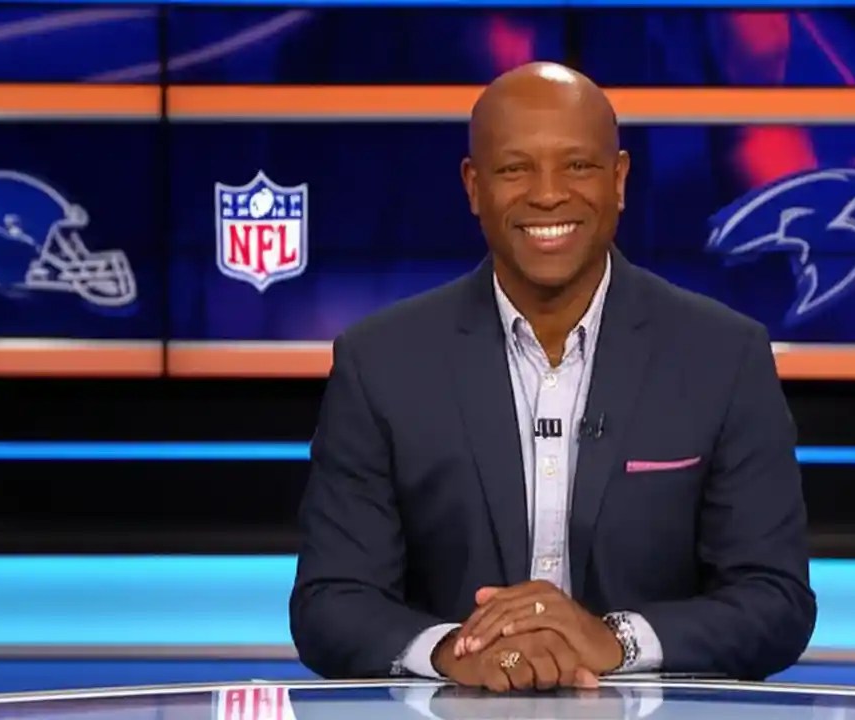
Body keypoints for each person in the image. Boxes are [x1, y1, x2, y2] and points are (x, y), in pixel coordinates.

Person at [289, 60, 816, 691]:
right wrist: (453, 650)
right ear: (473, 185)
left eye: (578, 166)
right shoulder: (381, 362)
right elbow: (330, 602)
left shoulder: (724, 355)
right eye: (515, 169)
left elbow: (776, 600)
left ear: (618, 179)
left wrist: (615, 639)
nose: (547, 194)